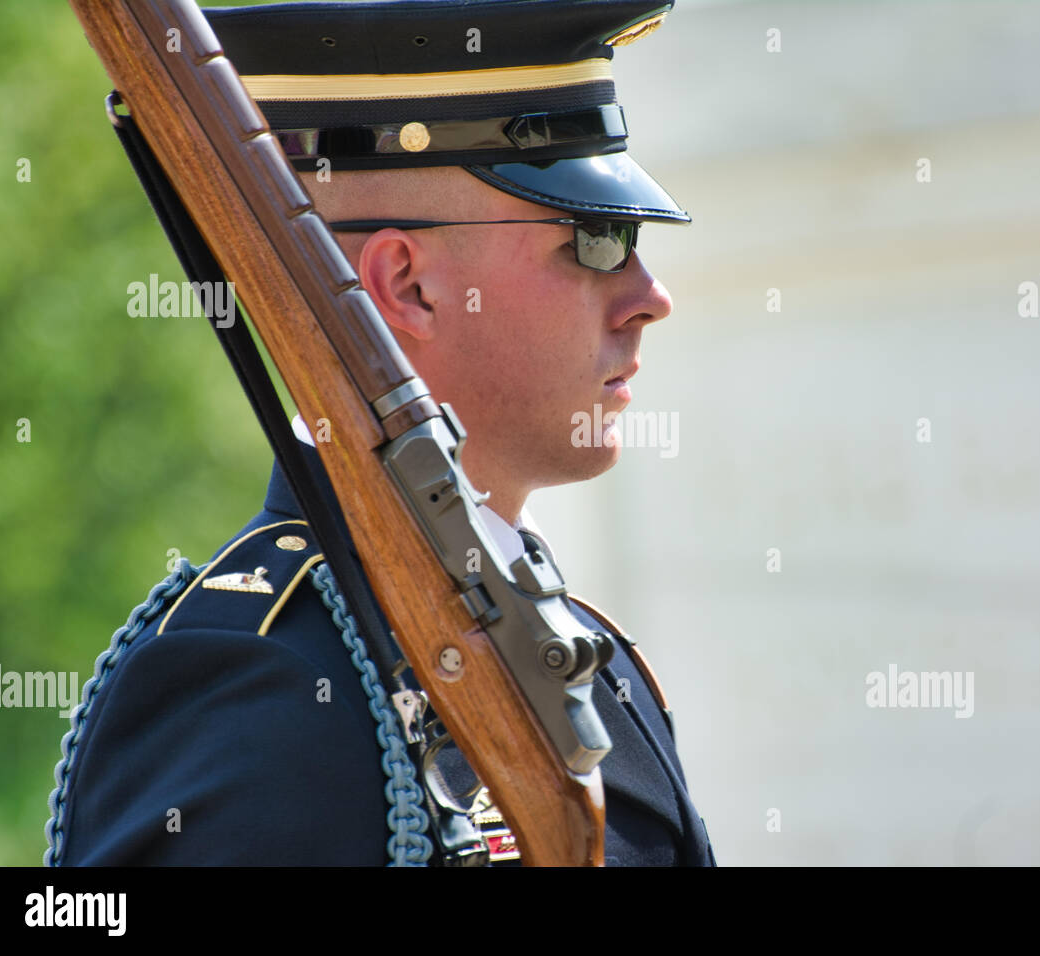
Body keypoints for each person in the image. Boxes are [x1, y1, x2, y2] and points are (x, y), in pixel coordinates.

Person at [44, 0, 716, 866]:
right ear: (407, 284)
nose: (650, 296)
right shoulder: (257, 686)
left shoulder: (607, 681)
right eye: (595, 240)